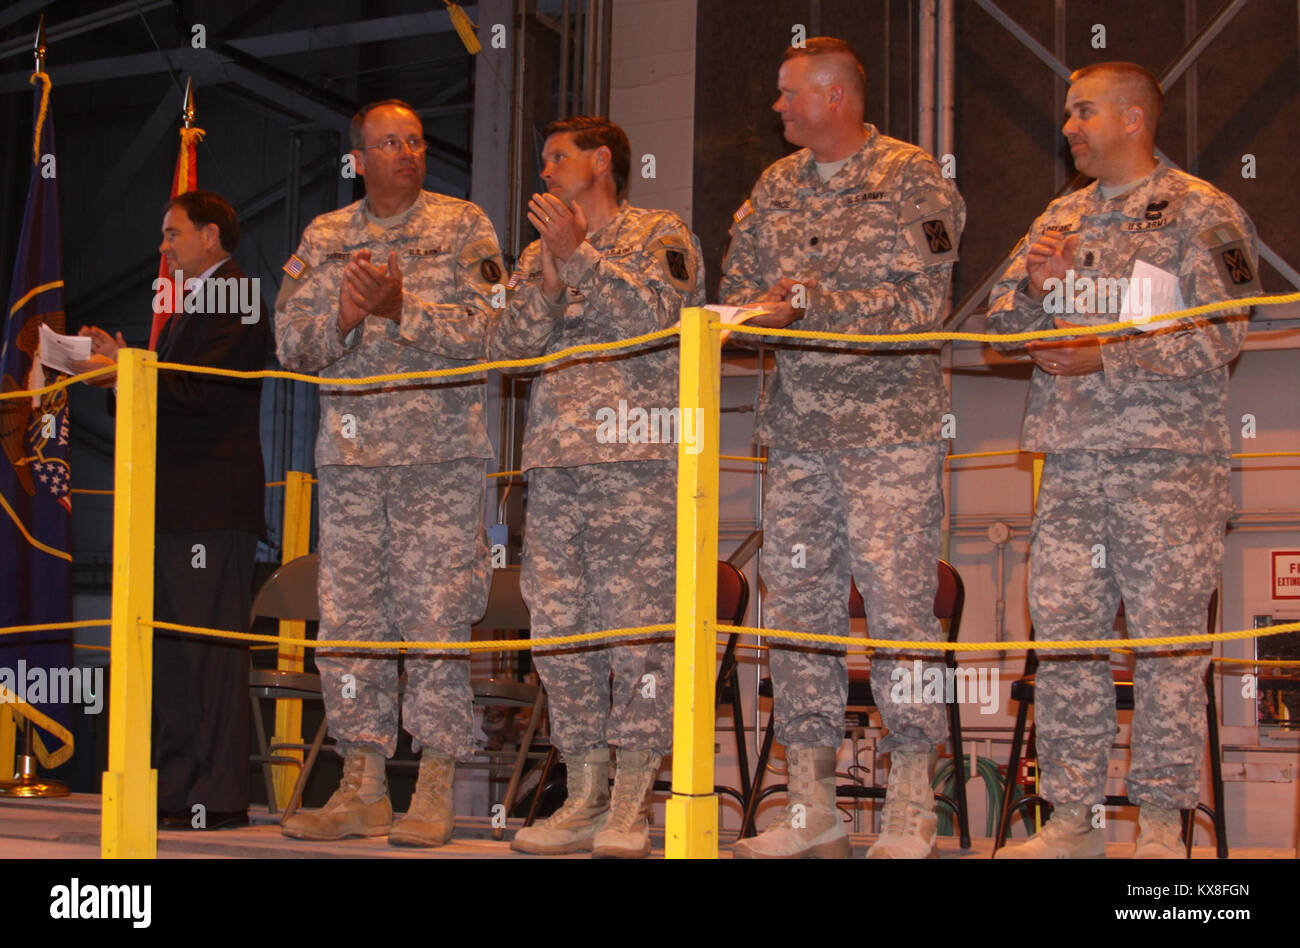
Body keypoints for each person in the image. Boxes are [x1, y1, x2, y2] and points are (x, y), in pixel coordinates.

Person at [987, 62, 1256, 859]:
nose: (1068, 126)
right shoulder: (1059, 215)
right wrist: (1036, 292)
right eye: (1068, 112)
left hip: (1166, 468)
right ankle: (1072, 819)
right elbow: (999, 327)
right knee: (1068, 642)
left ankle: (1163, 827)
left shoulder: (1201, 210)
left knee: (1168, 648)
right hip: (1070, 467)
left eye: (1083, 111)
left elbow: (1224, 330)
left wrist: (1110, 355)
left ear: (1135, 118)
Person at [720, 37, 965, 859]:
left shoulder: (913, 178)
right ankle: (812, 804)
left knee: (900, 613)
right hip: (796, 438)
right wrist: (763, 312)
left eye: (789, 94)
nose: (777, 108)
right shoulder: (774, 186)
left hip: (888, 433)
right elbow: (741, 290)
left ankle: (910, 802)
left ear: (834, 97)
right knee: (797, 615)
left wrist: (812, 306)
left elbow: (922, 304)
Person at [274, 99, 504, 847]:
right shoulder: (326, 236)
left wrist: (403, 306)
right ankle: (360, 781)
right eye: (388, 142)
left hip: (438, 460)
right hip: (350, 463)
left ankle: (433, 784)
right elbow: (290, 344)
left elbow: (491, 332)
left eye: (415, 138)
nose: (406, 151)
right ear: (358, 159)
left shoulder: (464, 225)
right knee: (350, 624)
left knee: (435, 619)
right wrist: (342, 317)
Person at [490, 116, 704, 858]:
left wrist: (577, 259)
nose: (544, 170)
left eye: (558, 157)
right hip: (557, 466)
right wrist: (547, 283)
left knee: (637, 635)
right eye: (542, 157)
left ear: (603, 160)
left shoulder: (659, 232)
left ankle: (633, 803)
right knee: (561, 632)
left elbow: (661, 317)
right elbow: (510, 349)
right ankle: (583, 794)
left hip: (636, 464)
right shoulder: (536, 250)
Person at [75, 189, 269, 830]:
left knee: (206, 654)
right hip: (180, 504)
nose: (162, 247)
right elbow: (178, 386)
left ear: (210, 236)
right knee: (176, 654)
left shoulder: (234, 296)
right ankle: (177, 787)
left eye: (172, 234)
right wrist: (123, 363)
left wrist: (123, 373)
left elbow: (202, 394)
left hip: (211, 503)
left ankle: (212, 797)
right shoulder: (198, 303)